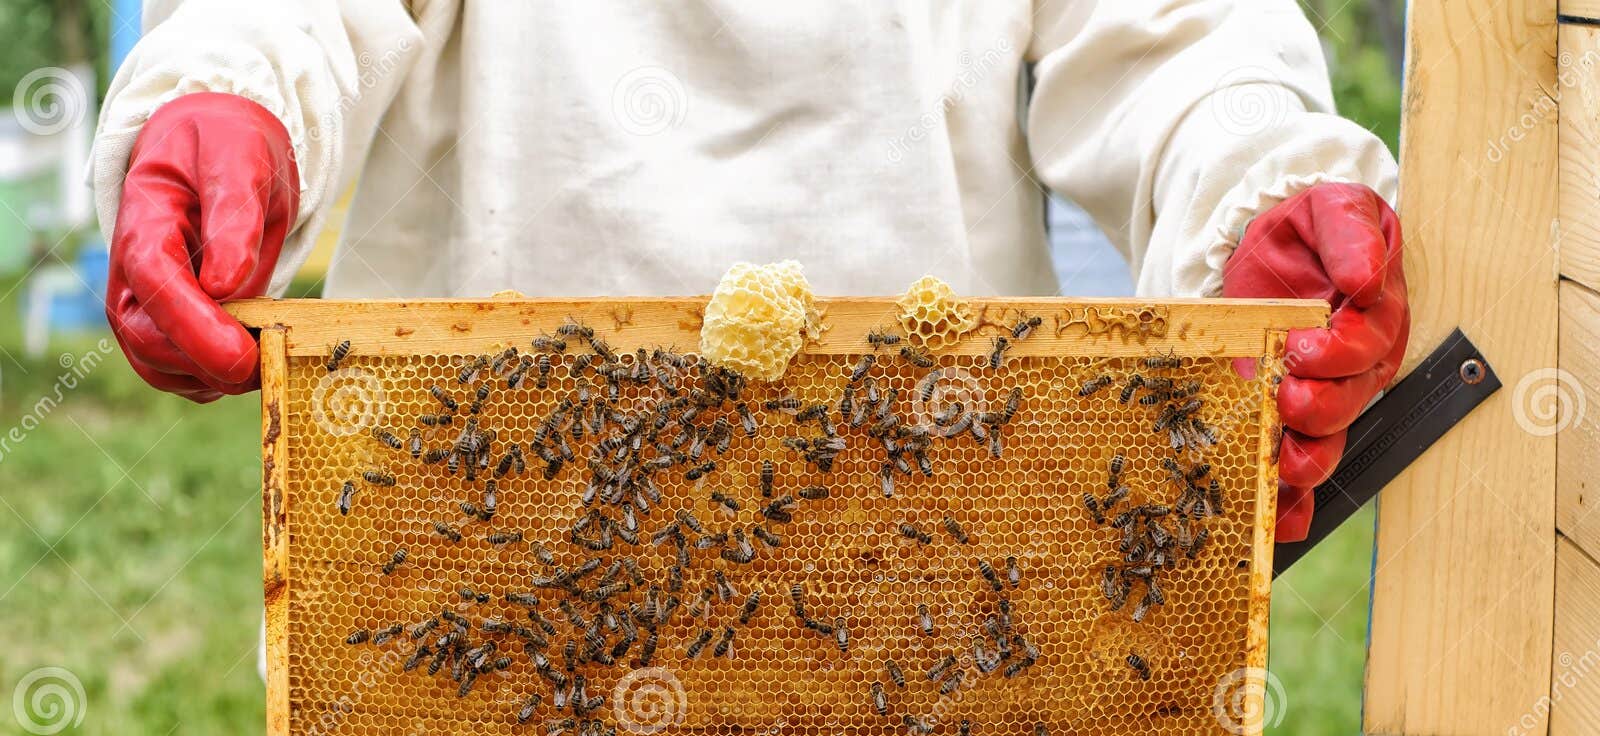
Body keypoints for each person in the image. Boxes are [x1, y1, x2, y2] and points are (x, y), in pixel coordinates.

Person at [90, 0, 1408, 542]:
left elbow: (1172, 40)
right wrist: (227, 97)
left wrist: (1256, 189)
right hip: (481, 507)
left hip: (924, 516)